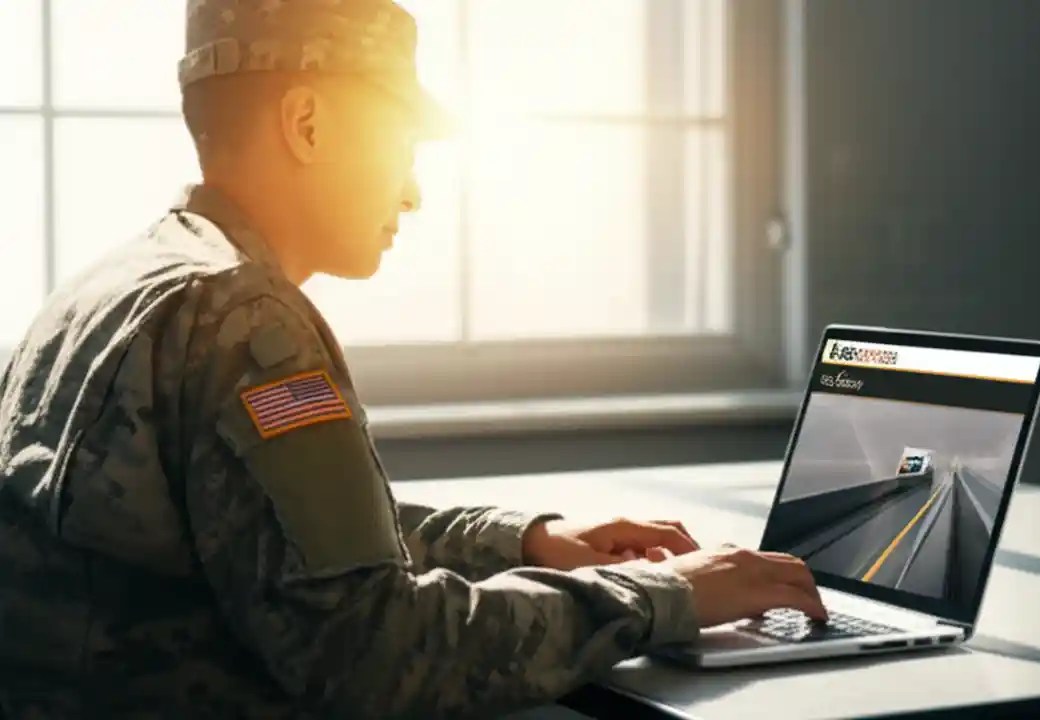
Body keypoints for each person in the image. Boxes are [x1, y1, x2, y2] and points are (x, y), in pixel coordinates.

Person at [0, 1, 827, 717]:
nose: (413, 192)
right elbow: (371, 650)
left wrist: (527, 543)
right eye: (401, 143)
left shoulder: (117, 286)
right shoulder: (243, 319)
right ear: (308, 124)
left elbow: (274, 539)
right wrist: (668, 595)